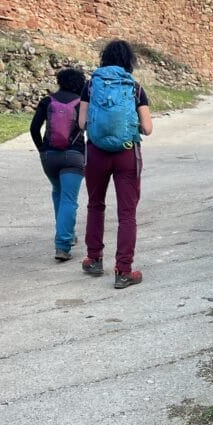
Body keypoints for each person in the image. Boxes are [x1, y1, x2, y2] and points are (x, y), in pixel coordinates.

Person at [78, 39, 153, 289]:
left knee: (95, 205)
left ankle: (94, 259)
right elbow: (149, 129)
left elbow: (81, 123)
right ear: (128, 61)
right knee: (127, 213)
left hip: (96, 152)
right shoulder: (135, 87)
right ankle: (123, 271)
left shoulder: (91, 86)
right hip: (127, 153)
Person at [30, 67, 87, 261]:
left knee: (58, 193)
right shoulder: (82, 104)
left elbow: (34, 128)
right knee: (69, 200)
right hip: (74, 156)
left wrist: (42, 150)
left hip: (49, 156)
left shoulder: (47, 101)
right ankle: (63, 244)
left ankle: (67, 236)